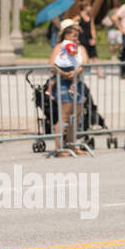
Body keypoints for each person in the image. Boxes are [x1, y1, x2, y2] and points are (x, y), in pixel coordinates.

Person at [49, 20, 86, 156]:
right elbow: (51, 65)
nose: (76, 38)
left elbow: (85, 63)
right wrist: (64, 74)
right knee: (64, 115)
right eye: (73, 35)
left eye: (77, 35)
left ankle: (72, 145)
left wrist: (75, 72)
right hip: (63, 83)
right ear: (66, 35)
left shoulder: (80, 48)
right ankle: (60, 148)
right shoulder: (59, 47)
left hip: (78, 83)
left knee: (75, 116)